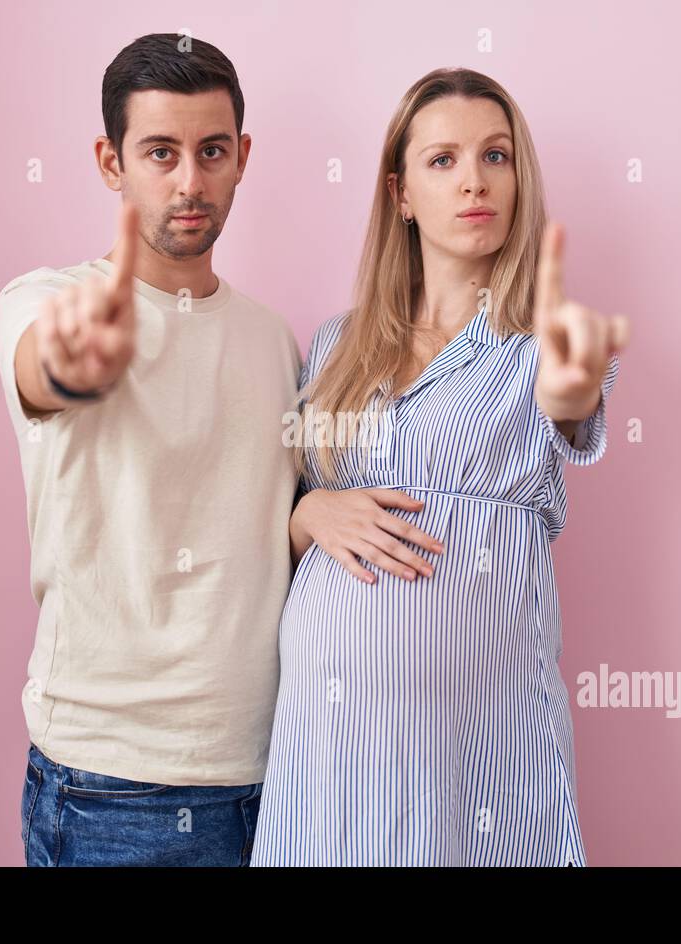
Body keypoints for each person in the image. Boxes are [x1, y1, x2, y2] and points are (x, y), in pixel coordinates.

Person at [251, 67, 629, 866]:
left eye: (496, 156)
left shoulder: (545, 346)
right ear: (400, 193)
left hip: (474, 750)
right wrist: (306, 515)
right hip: (326, 750)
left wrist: (571, 388)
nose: (473, 182)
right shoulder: (334, 345)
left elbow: (574, 407)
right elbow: (284, 517)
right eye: (443, 160)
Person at [0, 34, 301, 866]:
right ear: (110, 160)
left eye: (211, 151)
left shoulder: (275, 342)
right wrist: (70, 364)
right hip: (110, 787)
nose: (190, 182)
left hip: (279, 774)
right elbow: (42, 367)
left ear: (243, 158)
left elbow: (270, 525)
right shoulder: (48, 302)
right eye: (160, 152)